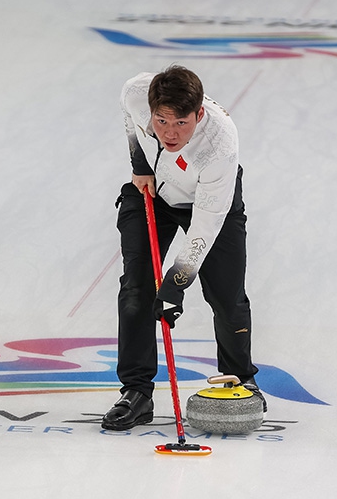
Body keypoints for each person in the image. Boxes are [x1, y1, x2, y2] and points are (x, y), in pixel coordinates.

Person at [103, 65, 260, 431]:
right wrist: (140, 163)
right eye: (162, 122)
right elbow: (130, 120)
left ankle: (240, 381)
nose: (170, 134)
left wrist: (176, 282)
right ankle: (136, 392)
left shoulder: (220, 145)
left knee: (226, 296)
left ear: (199, 113)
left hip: (207, 202)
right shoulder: (136, 93)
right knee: (136, 291)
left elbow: (205, 226)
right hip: (154, 192)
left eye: (182, 124)